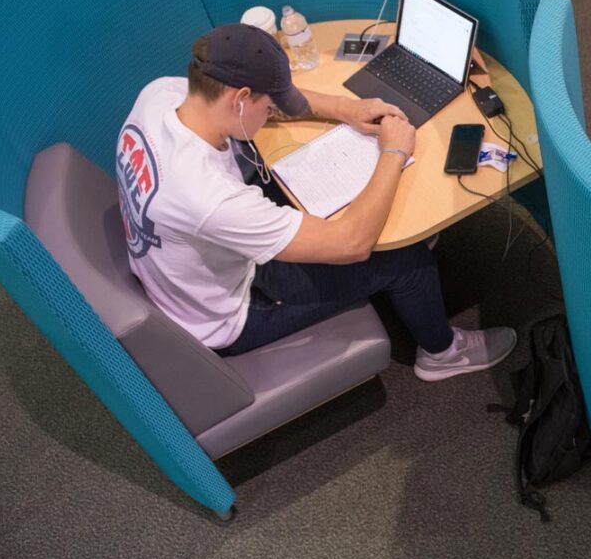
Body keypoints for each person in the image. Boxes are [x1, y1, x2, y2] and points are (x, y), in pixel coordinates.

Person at [115, 23, 516, 379]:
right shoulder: (207, 196)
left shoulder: (164, 94)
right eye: (268, 106)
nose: (273, 113)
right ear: (239, 98)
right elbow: (351, 245)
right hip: (235, 310)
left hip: (195, 271)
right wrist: (393, 152)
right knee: (407, 260)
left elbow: (265, 106)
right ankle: (442, 353)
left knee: (310, 194)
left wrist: (346, 108)